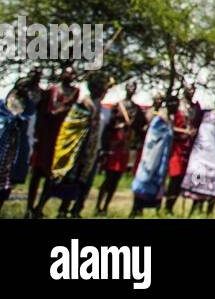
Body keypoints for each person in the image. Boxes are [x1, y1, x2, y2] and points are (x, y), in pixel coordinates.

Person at [35, 72, 109, 218]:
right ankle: (39, 208)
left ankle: (64, 210)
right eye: (102, 88)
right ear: (95, 89)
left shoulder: (98, 106)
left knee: (75, 183)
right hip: (73, 148)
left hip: (87, 151)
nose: (104, 91)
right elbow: (72, 125)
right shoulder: (83, 103)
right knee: (58, 178)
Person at [26, 64, 78, 217]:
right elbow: (41, 114)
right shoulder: (51, 91)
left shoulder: (75, 93)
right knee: (36, 174)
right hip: (45, 137)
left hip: (61, 140)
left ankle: (39, 207)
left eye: (73, 74)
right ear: (62, 75)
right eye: (67, 73)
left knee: (52, 176)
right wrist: (36, 135)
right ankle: (29, 207)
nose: (70, 76)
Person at [95, 80, 144, 215]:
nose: (131, 89)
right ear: (125, 89)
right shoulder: (118, 106)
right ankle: (98, 206)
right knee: (108, 178)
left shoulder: (137, 109)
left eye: (134, 87)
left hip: (126, 147)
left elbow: (140, 127)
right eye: (129, 86)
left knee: (116, 179)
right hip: (114, 145)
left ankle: (105, 207)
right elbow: (108, 125)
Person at [182, 94, 215, 215]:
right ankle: (194, 212)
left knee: (213, 186)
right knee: (199, 186)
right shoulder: (209, 116)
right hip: (203, 156)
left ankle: (209, 213)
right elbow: (204, 136)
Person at [0, 68, 40, 208]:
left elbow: (27, 122)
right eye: (21, 86)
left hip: (15, 149)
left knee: (6, 184)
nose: (23, 89)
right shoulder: (5, 102)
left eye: (26, 87)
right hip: (2, 145)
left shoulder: (29, 107)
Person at [131, 94, 176, 216]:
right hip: (151, 156)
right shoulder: (159, 119)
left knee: (158, 183)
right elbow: (153, 137)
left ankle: (156, 209)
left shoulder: (169, 119)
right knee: (145, 179)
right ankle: (136, 209)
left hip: (162, 157)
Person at [164, 82, 199, 214]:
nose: (192, 92)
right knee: (174, 175)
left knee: (181, 178)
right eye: (189, 89)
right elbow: (169, 126)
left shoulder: (195, 107)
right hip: (176, 146)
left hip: (188, 147)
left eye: (193, 90)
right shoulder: (177, 105)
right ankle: (166, 206)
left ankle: (171, 207)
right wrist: (185, 132)